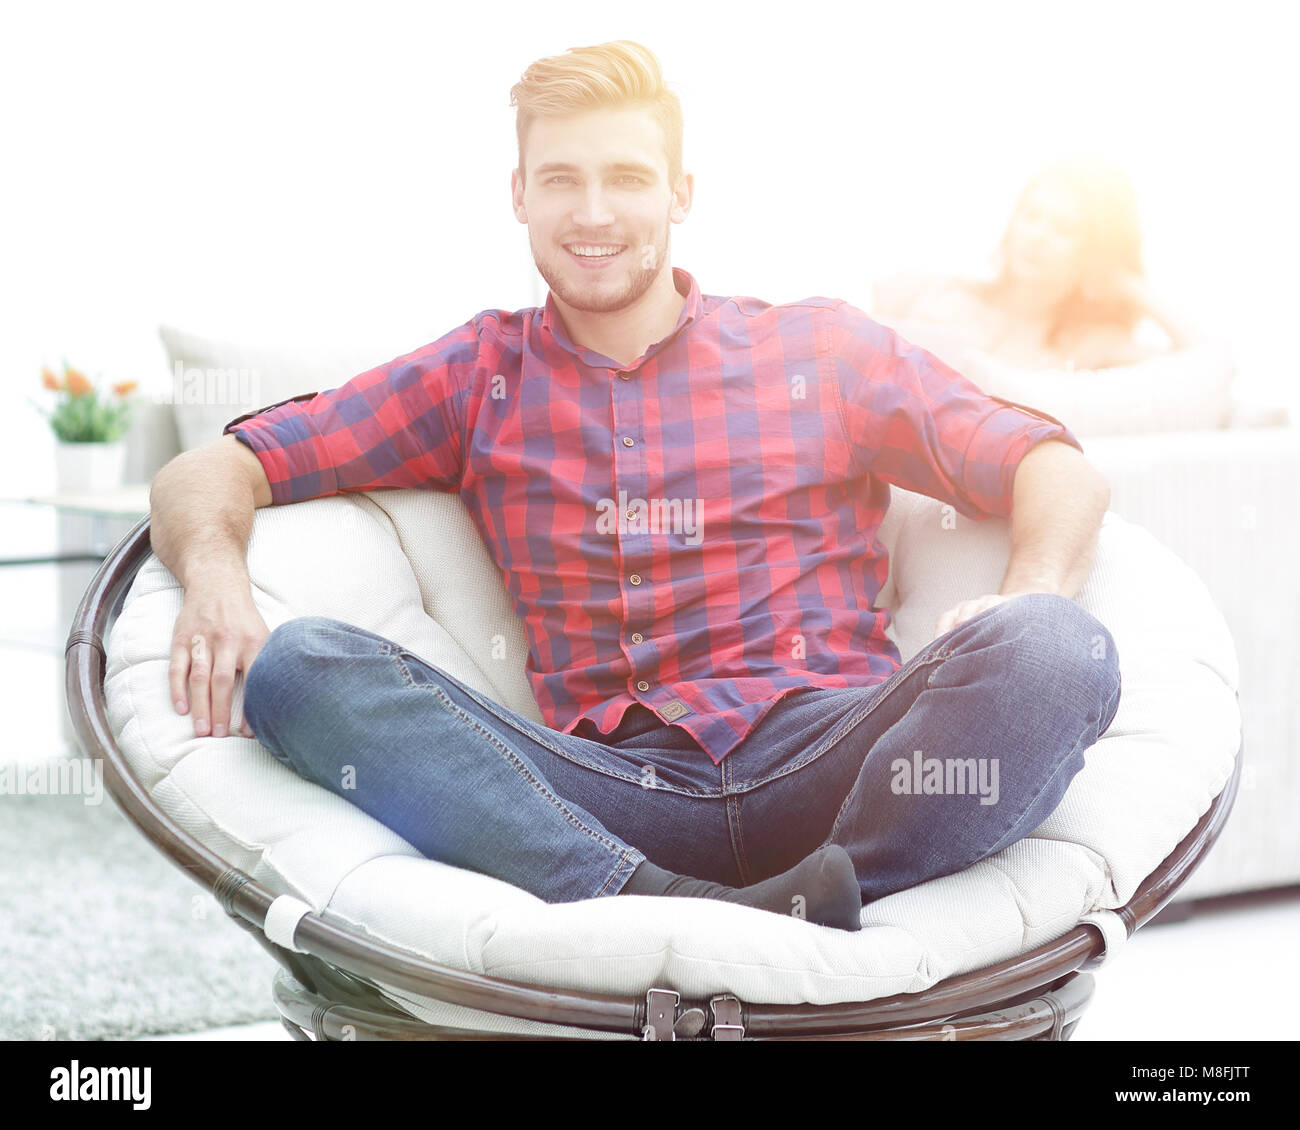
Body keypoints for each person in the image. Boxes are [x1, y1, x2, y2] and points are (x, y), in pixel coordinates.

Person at [149, 41, 1121, 934]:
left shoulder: (820, 350)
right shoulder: (474, 377)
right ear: (518, 193)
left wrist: (1032, 582)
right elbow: (219, 465)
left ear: (680, 192)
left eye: (626, 177)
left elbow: (1050, 463)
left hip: (832, 759)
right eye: (562, 179)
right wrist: (214, 574)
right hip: (607, 789)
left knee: (1055, 645)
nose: (596, 211)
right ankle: (677, 906)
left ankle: (834, 890)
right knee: (300, 667)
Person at [872, 155, 1203, 372]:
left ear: (1096, 251)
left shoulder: (1094, 345)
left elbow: (1205, 365)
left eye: (1064, 228)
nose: (1038, 236)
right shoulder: (926, 292)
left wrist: (1128, 284)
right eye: (1031, 216)